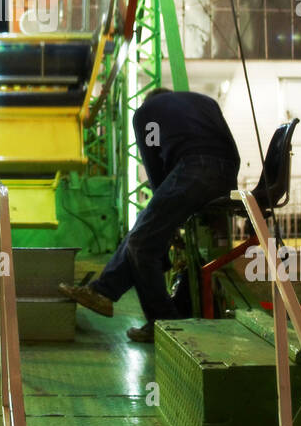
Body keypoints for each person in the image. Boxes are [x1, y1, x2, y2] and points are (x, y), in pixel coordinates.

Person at [60, 88, 240, 343]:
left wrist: (162, 211)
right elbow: (226, 145)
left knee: (142, 244)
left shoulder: (147, 113)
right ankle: (104, 291)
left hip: (194, 170)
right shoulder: (205, 102)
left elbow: (155, 167)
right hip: (227, 176)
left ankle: (163, 322)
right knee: (146, 232)